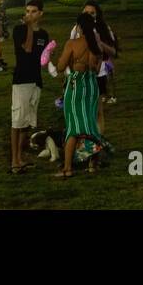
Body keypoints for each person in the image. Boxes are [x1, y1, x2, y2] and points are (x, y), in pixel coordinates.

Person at [53, 12, 110, 177]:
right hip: (91, 85)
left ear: (78, 27)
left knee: (73, 127)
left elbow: (61, 67)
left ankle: (67, 168)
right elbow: (97, 69)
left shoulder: (72, 44)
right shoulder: (97, 45)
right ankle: (93, 164)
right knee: (91, 124)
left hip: (76, 85)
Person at [9, 0, 50, 174]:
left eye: (34, 11)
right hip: (22, 80)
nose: (30, 14)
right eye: (27, 11)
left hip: (36, 81)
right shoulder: (19, 30)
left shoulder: (44, 34)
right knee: (17, 121)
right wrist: (28, 28)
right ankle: (14, 160)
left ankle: (21, 157)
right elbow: (26, 48)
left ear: (40, 13)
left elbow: (41, 58)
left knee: (27, 122)